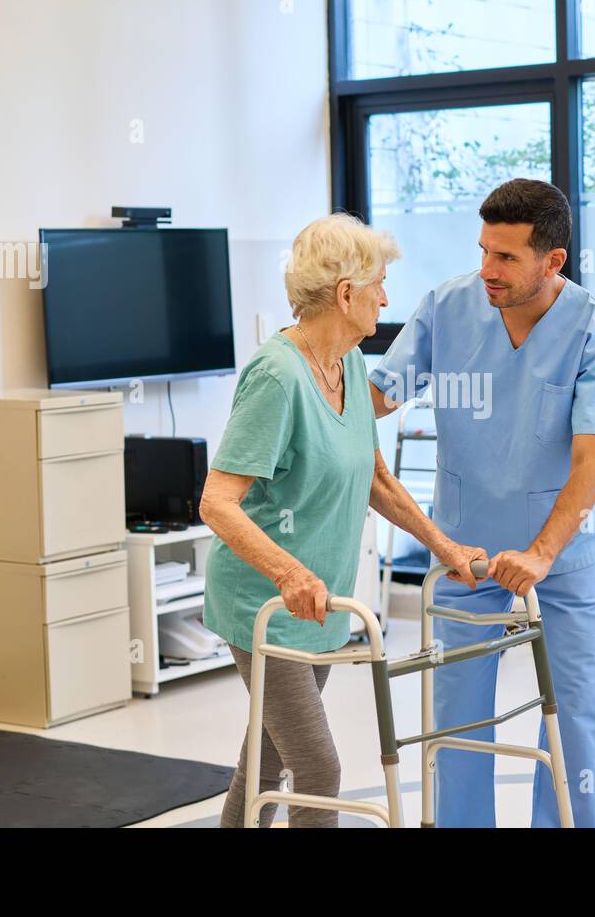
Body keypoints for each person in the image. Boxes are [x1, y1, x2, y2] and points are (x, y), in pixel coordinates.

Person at [200, 213, 485, 828]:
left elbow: (376, 477)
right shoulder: (277, 376)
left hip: (318, 605)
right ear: (344, 292)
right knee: (318, 769)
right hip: (267, 607)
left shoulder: (350, 364)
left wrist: (446, 546)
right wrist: (288, 573)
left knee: (266, 762)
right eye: (379, 282)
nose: (387, 295)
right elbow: (216, 502)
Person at [369, 178, 595, 827]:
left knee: (576, 718)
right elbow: (376, 398)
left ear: (553, 261)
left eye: (507, 257)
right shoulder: (445, 309)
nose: (487, 269)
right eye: (484, 250)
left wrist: (543, 553)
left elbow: (593, 458)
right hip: (466, 554)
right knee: (457, 726)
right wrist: (308, 373)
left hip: (562, 560)